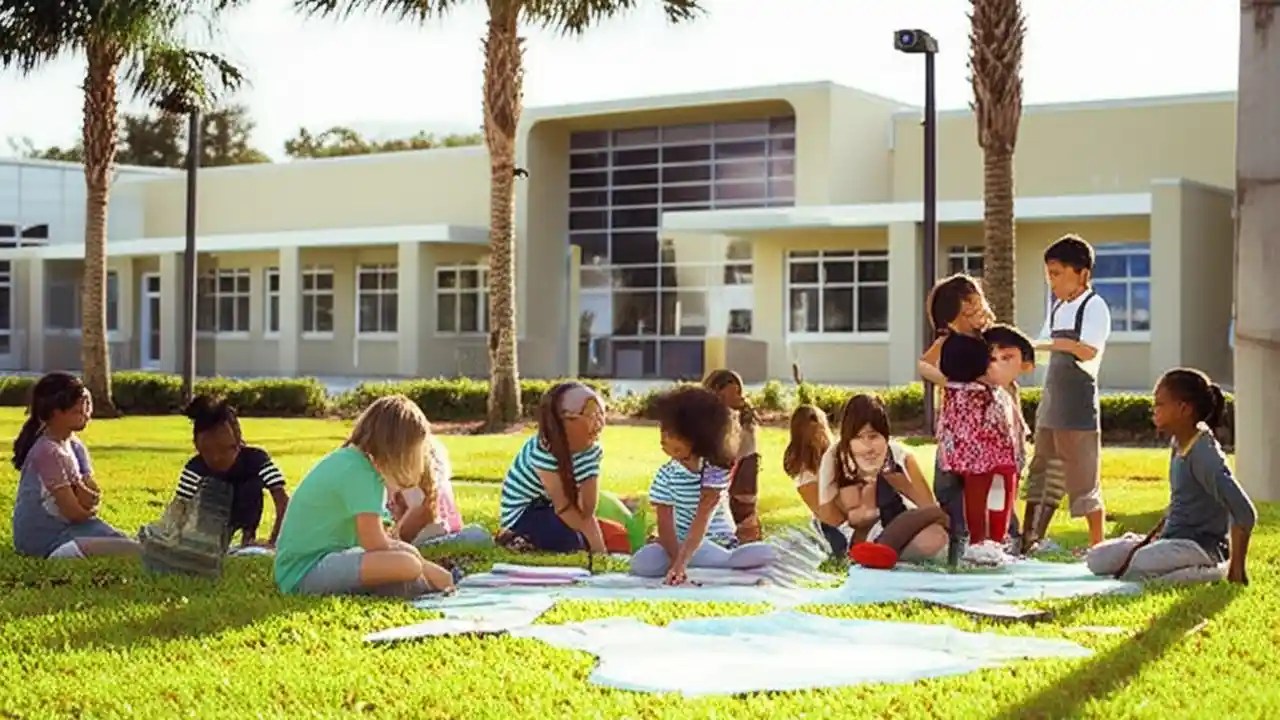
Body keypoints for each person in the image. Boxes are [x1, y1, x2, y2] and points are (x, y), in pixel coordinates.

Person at [273, 395, 455, 597]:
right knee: (408, 564)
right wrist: (423, 565)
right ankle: (428, 582)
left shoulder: (351, 462)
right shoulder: (362, 474)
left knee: (406, 563)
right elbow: (374, 542)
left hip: (312, 565)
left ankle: (419, 583)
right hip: (305, 573)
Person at [1086, 369, 1255, 584]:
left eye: (1159, 404)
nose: (1153, 410)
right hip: (1171, 540)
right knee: (1097, 559)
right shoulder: (1178, 441)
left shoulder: (1205, 455)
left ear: (1183, 408)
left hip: (1201, 547)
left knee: (1139, 566)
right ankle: (1160, 565)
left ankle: (1217, 572)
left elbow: (1245, 512)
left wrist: (1237, 571)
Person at [916, 274, 1018, 560]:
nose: (974, 312)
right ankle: (974, 543)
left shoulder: (990, 338)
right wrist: (948, 380)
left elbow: (1007, 371)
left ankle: (999, 540)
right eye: (966, 308)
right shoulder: (949, 341)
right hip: (964, 426)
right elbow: (924, 364)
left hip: (992, 420)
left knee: (1001, 476)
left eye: (975, 304)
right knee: (972, 481)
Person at [630, 386, 777, 583]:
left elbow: (703, 515)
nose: (663, 439)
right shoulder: (666, 475)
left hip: (715, 542)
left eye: (671, 433)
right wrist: (676, 559)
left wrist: (682, 561)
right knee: (643, 562)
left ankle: (723, 561)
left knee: (765, 553)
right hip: (680, 545)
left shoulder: (714, 471)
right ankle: (706, 564)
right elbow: (665, 525)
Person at [1023, 234, 1112, 552]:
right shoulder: (1059, 307)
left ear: (1083, 273)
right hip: (1051, 404)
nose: (1053, 282)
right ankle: (1030, 538)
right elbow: (1045, 345)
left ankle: (1097, 544)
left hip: (1077, 407)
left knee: (1083, 473)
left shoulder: (1094, 306)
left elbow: (1087, 350)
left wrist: (1045, 344)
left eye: (1058, 274)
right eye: (1049, 275)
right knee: (1044, 470)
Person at [10, 372, 139, 558]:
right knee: (136, 551)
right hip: (46, 541)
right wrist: (88, 504)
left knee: (128, 542)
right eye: (78, 410)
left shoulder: (75, 445)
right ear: (54, 412)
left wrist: (86, 497)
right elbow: (76, 512)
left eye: (88, 406)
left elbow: (90, 493)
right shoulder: (48, 451)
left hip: (75, 529)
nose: (86, 414)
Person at [934, 328, 1032, 561]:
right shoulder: (976, 393)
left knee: (987, 498)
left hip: (985, 459)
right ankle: (986, 542)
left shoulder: (963, 392)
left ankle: (988, 542)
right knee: (990, 497)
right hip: (986, 459)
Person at [816, 394, 949, 562]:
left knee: (935, 536)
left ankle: (885, 553)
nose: (867, 447)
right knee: (939, 520)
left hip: (903, 525)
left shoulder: (900, 456)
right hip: (859, 537)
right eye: (858, 437)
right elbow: (828, 516)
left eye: (873, 436)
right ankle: (880, 551)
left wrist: (905, 487)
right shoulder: (835, 458)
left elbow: (927, 507)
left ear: (884, 436)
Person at [495, 382, 611, 554]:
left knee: (602, 535)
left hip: (551, 507)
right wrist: (596, 547)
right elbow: (563, 506)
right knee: (569, 541)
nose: (599, 422)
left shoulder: (590, 451)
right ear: (564, 420)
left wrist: (597, 545)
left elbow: (586, 510)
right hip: (526, 511)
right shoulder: (543, 451)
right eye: (591, 415)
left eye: (601, 413)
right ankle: (515, 537)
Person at [172, 396, 289, 547]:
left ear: (237, 441)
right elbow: (180, 509)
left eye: (224, 449)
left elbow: (283, 502)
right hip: (209, 523)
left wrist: (273, 542)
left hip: (247, 511)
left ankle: (247, 538)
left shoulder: (257, 460)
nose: (216, 458)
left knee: (251, 487)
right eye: (207, 451)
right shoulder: (195, 469)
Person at [390, 433, 491, 547]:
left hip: (428, 532)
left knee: (477, 534)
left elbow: (418, 504)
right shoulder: (429, 453)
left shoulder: (406, 467)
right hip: (444, 530)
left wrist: (395, 537)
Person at [783, 404, 850, 558]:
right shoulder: (806, 477)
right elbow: (830, 518)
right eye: (814, 431)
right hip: (836, 529)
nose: (820, 435)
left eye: (820, 427)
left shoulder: (837, 456)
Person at [704, 369, 762, 543]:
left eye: (738, 392)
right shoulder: (708, 423)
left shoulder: (744, 423)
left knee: (744, 526)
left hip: (741, 479)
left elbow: (747, 458)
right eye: (731, 393)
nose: (738, 397)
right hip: (718, 480)